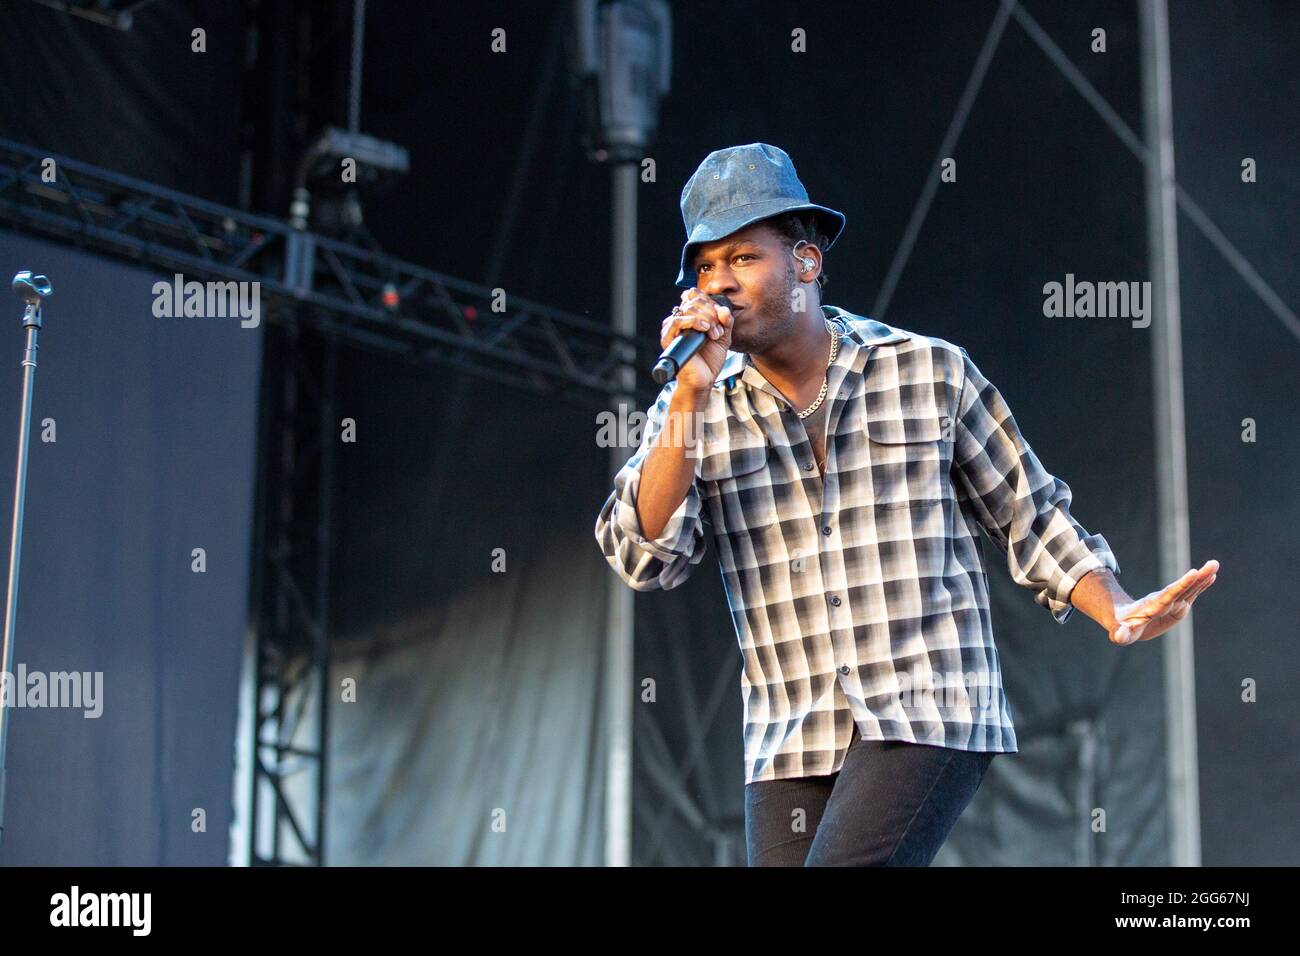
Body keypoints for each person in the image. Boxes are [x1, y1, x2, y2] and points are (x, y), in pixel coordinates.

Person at [594, 143, 1218, 866]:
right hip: (791, 731)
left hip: (926, 702)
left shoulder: (929, 371)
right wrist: (691, 396)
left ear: (805, 261)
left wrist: (1116, 608)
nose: (719, 283)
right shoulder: (695, 405)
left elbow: (1031, 514)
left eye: (741, 258)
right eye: (704, 267)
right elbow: (641, 552)